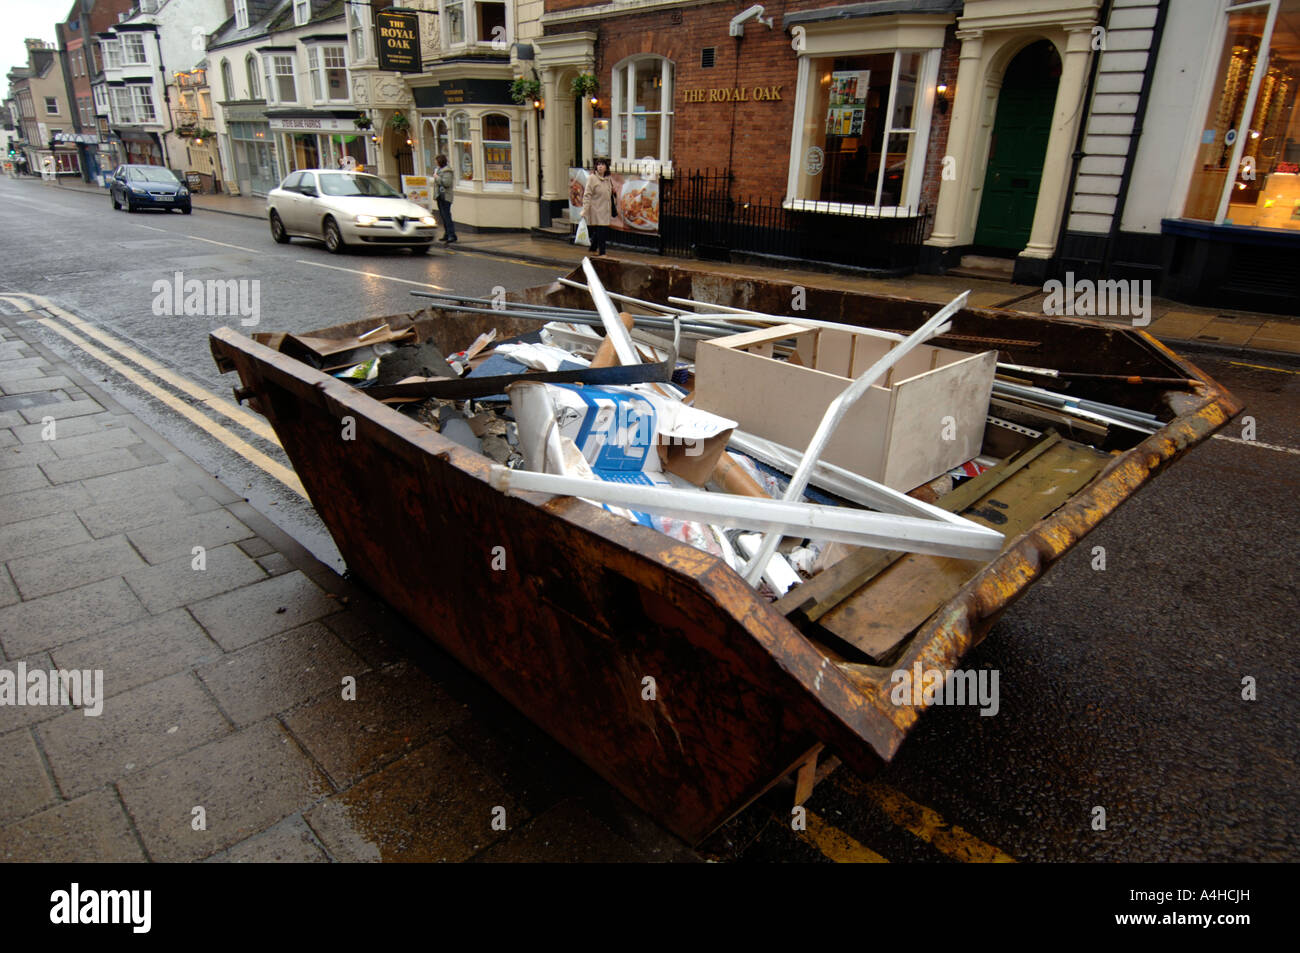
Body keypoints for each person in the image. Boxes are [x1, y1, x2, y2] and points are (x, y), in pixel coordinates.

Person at [581, 157, 614, 256]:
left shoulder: (608, 179)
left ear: (606, 167)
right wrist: (585, 210)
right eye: (598, 164)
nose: (600, 167)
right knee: (602, 231)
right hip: (596, 209)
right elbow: (587, 195)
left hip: (605, 209)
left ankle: (593, 248)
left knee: (599, 231)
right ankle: (602, 253)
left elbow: (609, 193)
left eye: (602, 164)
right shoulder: (592, 178)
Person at [434, 154, 457, 243]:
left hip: (445, 196)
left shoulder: (447, 171)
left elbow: (446, 183)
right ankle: (447, 234)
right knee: (443, 216)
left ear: (440, 161)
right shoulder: (439, 170)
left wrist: (437, 177)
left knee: (447, 216)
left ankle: (452, 235)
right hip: (440, 196)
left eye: (436, 161)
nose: (435, 162)